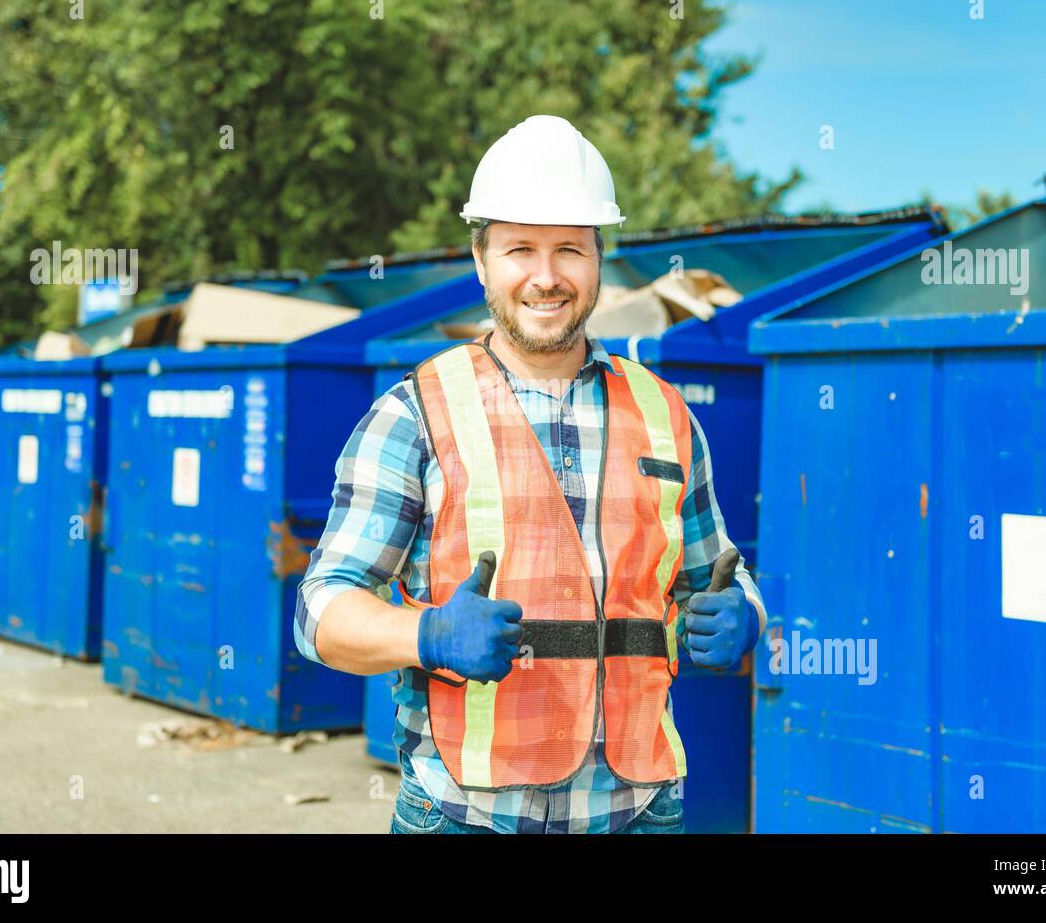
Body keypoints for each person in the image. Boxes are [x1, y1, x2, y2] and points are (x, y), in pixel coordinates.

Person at [295, 114, 765, 834]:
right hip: (465, 814)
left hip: (640, 811)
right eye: (521, 249)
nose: (546, 277)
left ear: (599, 260)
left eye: (570, 250)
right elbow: (321, 612)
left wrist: (746, 616)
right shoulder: (414, 414)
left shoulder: (665, 412)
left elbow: (717, 575)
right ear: (482, 261)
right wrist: (425, 637)